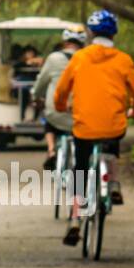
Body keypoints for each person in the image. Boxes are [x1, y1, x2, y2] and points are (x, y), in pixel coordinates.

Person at [53, 9, 134, 245]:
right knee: (112, 137)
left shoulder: (79, 58)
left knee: (80, 168)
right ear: (114, 35)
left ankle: (74, 218)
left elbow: (62, 90)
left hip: (84, 126)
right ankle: (112, 182)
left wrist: (61, 106)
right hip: (113, 124)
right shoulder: (124, 60)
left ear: (91, 33)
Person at [32, 29, 87, 168]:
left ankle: (51, 150)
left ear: (64, 42)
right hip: (82, 114)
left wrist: (35, 96)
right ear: (82, 43)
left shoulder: (54, 58)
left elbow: (41, 82)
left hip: (57, 112)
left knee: (48, 119)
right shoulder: (88, 58)